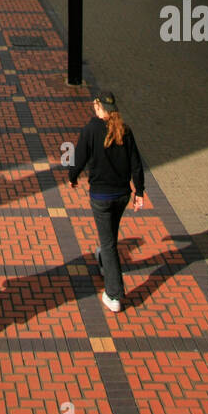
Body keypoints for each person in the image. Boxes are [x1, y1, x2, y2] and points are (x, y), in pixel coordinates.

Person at [66, 90, 145, 313]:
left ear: (98, 107)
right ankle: (103, 257)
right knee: (110, 233)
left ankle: (114, 293)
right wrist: (139, 191)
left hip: (101, 196)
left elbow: (79, 157)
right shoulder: (125, 130)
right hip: (122, 195)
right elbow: (136, 164)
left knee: (109, 244)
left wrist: (73, 177)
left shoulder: (91, 130)